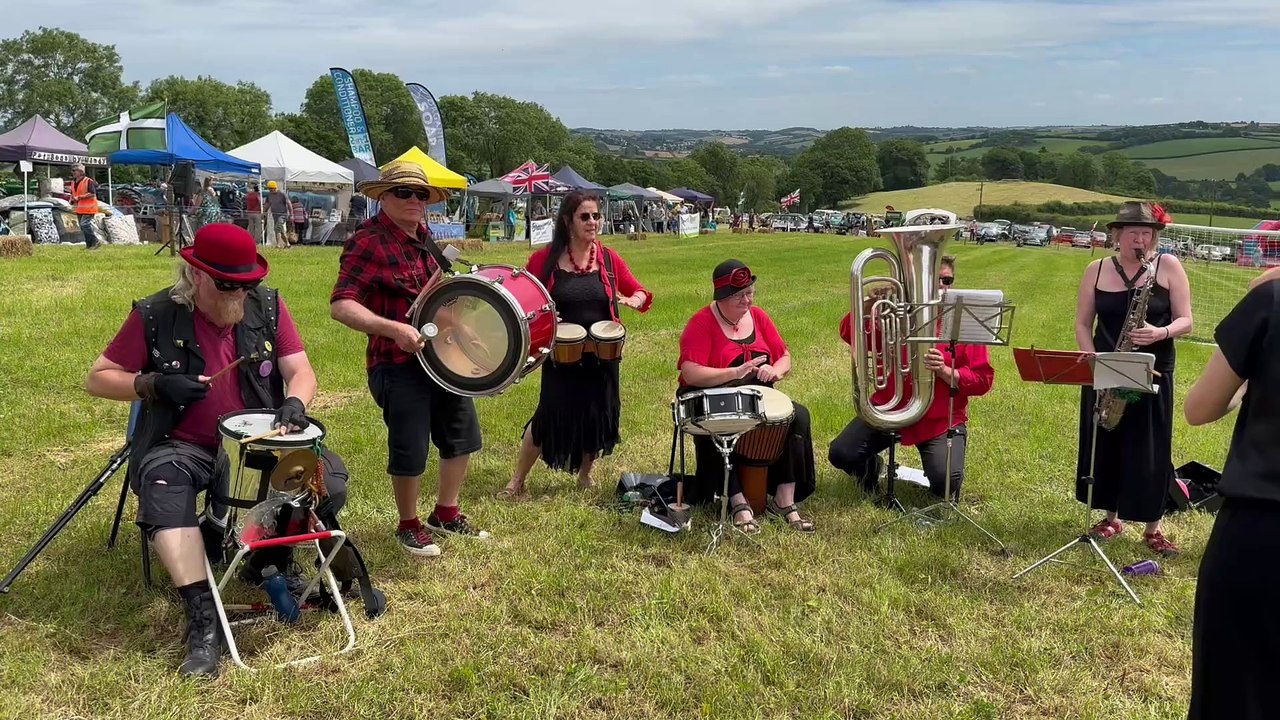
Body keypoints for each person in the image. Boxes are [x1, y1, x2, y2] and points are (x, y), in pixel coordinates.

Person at [84, 223, 348, 678]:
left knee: (327, 479)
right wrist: (154, 383)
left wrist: (295, 402)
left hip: (259, 438)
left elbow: (300, 371)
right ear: (196, 274)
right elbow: (98, 378)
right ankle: (203, 614)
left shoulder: (267, 306)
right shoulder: (155, 314)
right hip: (182, 443)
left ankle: (265, 561)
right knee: (164, 487)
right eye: (228, 285)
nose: (239, 294)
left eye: (248, 284)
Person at [330, 161, 488, 558]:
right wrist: (394, 330)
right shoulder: (367, 241)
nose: (415, 200)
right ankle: (408, 524)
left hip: (443, 358)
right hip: (395, 362)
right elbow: (342, 305)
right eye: (404, 192)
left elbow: (434, 298)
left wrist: (463, 330)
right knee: (410, 447)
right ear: (383, 196)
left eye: (421, 194)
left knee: (461, 435)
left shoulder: (426, 238)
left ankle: (445, 513)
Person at [500, 192, 653, 498]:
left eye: (596, 216)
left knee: (596, 413)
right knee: (549, 414)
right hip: (563, 353)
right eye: (585, 216)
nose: (593, 222)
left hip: (602, 354)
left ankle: (585, 474)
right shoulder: (545, 259)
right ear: (568, 221)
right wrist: (543, 314)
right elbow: (521, 299)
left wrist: (632, 300)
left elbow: (639, 290)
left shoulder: (608, 258)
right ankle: (517, 480)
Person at [1183, 269, 1279, 719]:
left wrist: (1245, 379)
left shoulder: (1270, 299)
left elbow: (1199, 408)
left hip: (1261, 531)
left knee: (1236, 692)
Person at [1074, 201, 1192, 556]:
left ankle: (1153, 527)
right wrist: (1091, 357)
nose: (1140, 240)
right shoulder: (1096, 269)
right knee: (1107, 441)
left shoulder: (1167, 266)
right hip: (1105, 369)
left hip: (1150, 371)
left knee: (1148, 446)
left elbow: (1186, 321)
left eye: (1147, 233)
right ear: (1116, 235)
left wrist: (1160, 332)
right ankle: (1111, 517)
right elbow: (1083, 323)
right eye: (1133, 233)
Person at [828, 256, 994, 500]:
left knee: (946, 482)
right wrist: (868, 305)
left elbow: (983, 380)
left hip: (939, 419)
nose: (942, 286)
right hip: (891, 408)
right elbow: (849, 333)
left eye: (947, 280)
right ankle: (871, 470)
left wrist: (946, 371)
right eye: (934, 280)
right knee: (841, 454)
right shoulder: (894, 315)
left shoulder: (963, 322)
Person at [676, 259, 816, 533]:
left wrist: (775, 371)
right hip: (713, 395)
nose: (747, 300)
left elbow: (784, 356)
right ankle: (738, 503)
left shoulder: (759, 317)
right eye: (738, 295)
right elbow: (690, 372)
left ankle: (784, 499)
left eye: (750, 292)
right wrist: (734, 372)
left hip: (756, 395)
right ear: (721, 297)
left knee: (798, 415)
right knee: (719, 423)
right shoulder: (701, 322)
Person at [68, 163, 101, 250]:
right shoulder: (73, 182)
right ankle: (89, 245)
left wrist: (79, 197)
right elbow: (73, 193)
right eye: (72, 170)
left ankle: (95, 241)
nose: (72, 172)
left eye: (74, 170)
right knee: (82, 227)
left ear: (81, 171)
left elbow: (92, 194)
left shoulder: (88, 181)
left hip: (90, 207)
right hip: (80, 208)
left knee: (84, 224)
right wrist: (71, 200)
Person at [264, 181, 290, 249]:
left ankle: (278, 244)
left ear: (275, 188)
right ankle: (287, 244)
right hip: (275, 214)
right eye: (269, 189)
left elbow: (289, 203)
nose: (270, 190)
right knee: (280, 230)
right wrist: (264, 212)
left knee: (277, 228)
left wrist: (291, 214)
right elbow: (267, 204)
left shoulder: (282, 194)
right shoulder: (269, 195)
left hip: (283, 214)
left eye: (271, 189)